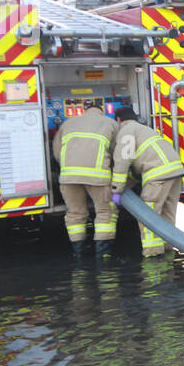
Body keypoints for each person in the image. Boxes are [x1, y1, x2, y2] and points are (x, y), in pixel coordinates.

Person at [110, 106, 184, 257]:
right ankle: (168, 248)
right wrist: (128, 184)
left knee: (148, 217)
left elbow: (123, 161)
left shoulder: (126, 131)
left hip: (158, 175)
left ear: (118, 120)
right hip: (175, 172)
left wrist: (116, 189)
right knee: (167, 213)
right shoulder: (144, 129)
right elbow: (138, 167)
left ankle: (153, 255)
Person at [53, 100, 118, 259]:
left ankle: (79, 252)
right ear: (101, 111)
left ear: (85, 111)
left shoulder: (69, 122)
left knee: (75, 213)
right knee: (105, 212)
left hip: (69, 177)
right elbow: (117, 151)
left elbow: (57, 151)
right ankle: (103, 255)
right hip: (98, 177)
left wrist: (68, 168)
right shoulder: (110, 123)